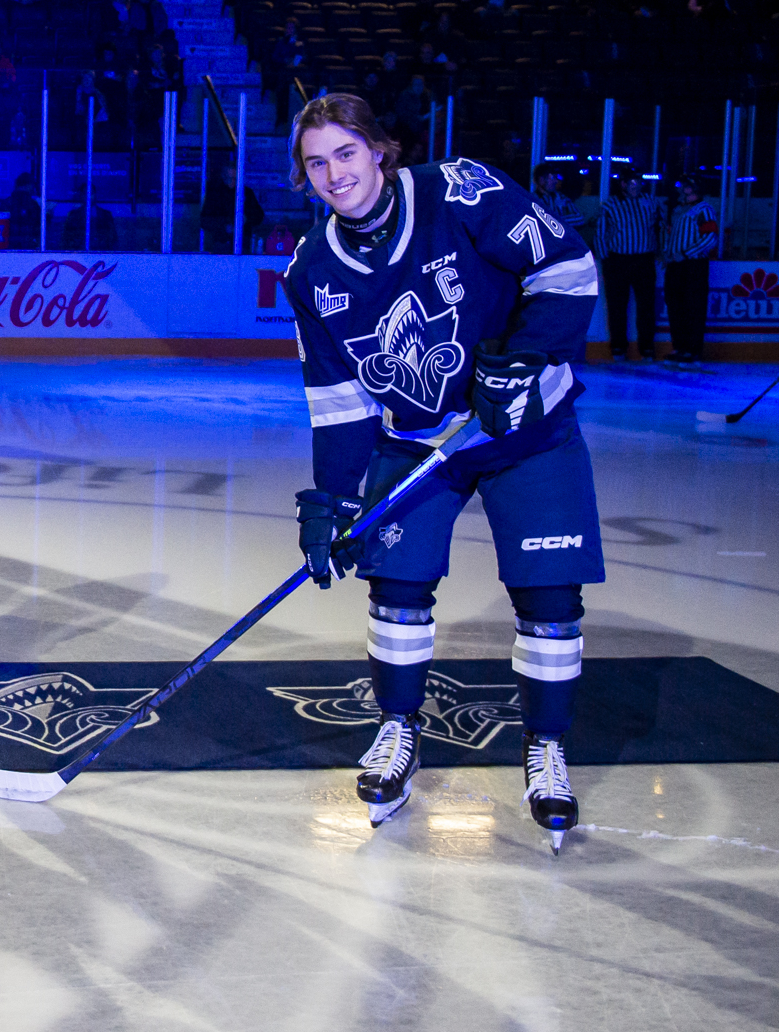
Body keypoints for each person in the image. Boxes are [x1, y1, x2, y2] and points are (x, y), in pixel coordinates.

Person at [282, 94, 601, 852]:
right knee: (395, 588)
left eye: (346, 153)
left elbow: (566, 265)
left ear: (379, 150)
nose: (334, 174)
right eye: (316, 163)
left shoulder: (461, 192)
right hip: (419, 442)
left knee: (549, 598)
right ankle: (398, 729)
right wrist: (332, 500)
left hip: (525, 428)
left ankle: (546, 746)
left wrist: (523, 357)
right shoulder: (311, 270)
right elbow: (339, 399)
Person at [593, 174, 662, 362]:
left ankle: (646, 348)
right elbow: (600, 234)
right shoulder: (610, 205)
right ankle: (618, 347)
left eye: (638, 182)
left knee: (646, 306)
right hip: (618, 260)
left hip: (644, 259)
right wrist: (607, 260)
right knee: (617, 306)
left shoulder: (650, 201)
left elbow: (660, 226)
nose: (636, 185)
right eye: (632, 182)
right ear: (623, 184)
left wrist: (660, 251)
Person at [663, 177, 717, 365]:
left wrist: (686, 253)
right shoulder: (678, 209)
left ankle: (693, 350)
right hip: (675, 264)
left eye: (687, 186)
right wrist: (668, 253)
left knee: (693, 307)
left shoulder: (704, 209)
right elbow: (670, 235)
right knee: (675, 306)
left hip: (694, 265)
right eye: (683, 186)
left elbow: (710, 238)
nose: (683, 189)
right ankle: (679, 347)